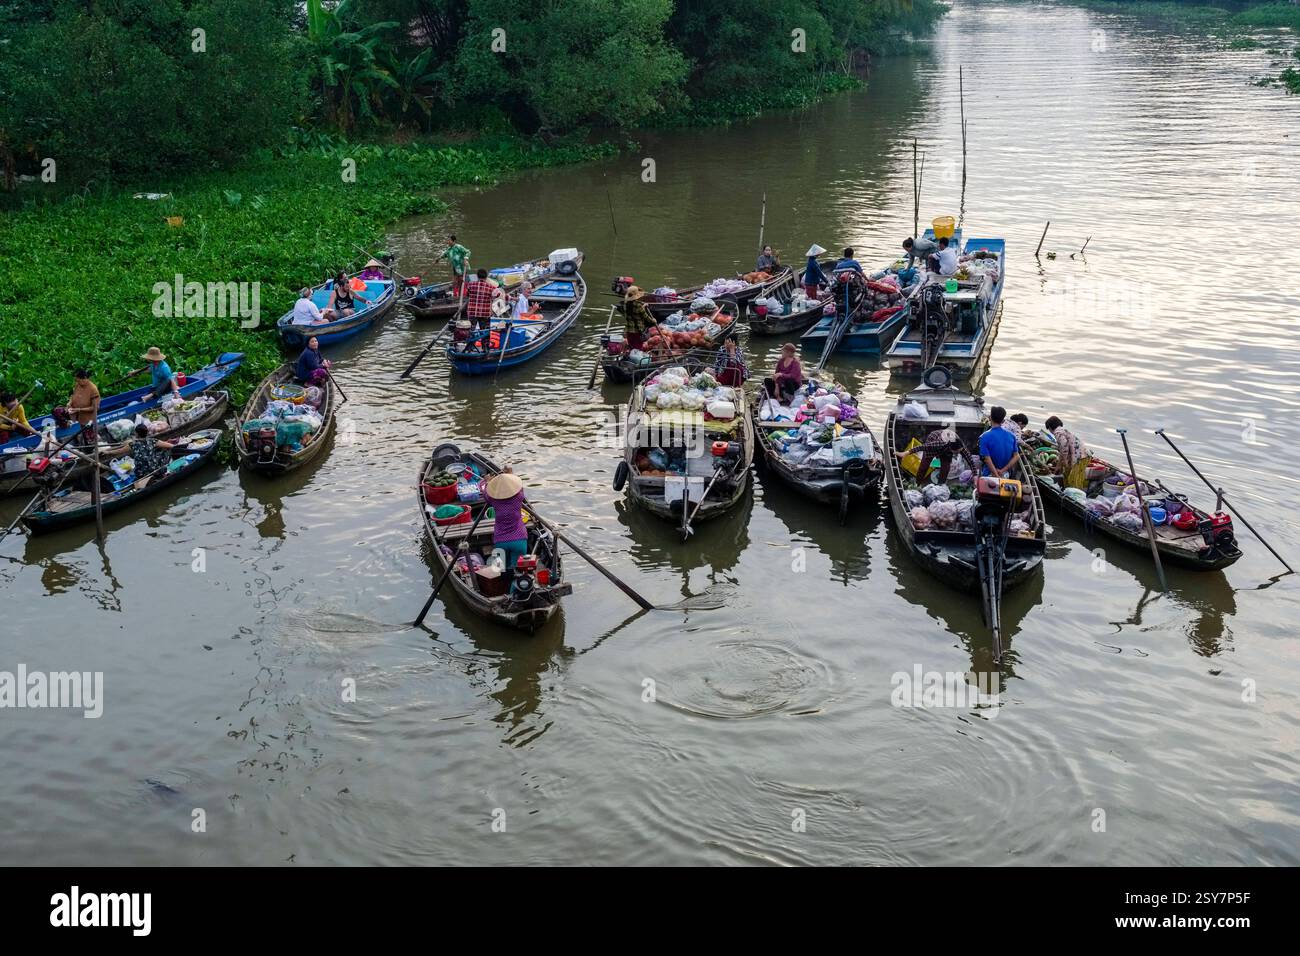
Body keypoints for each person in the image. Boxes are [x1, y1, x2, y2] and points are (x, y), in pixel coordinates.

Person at [484, 468, 528, 585]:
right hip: (519, 540)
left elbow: (486, 494)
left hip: (500, 541)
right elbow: (518, 486)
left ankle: (501, 589)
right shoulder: (519, 497)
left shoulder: (493, 500)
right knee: (517, 573)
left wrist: (487, 482)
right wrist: (510, 474)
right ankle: (514, 591)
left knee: (498, 571)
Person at [898, 420, 971, 485]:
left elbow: (969, 458)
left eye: (959, 451)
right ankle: (918, 483)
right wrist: (906, 453)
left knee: (945, 468)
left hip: (946, 449)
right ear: (951, 449)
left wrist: (975, 474)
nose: (958, 453)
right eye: (956, 452)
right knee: (924, 466)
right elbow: (922, 447)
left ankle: (940, 486)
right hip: (933, 440)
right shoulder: (938, 443)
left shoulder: (959, 446)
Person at [1044, 415, 1091, 488]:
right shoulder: (1063, 430)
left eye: (1049, 429)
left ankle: (1075, 495)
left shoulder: (1058, 432)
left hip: (1081, 457)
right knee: (1067, 474)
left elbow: (1064, 448)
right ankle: (1068, 490)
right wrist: (1061, 464)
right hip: (1080, 455)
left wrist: (1061, 464)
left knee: (1074, 479)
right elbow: (1063, 450)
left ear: (1050, 427)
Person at [465, 268, 504, 351]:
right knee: (485, 331)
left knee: (471, 330)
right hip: (485, 314)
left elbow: (467, 294)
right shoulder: (491, 287)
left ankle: (469, 347)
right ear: (486, 277)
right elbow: (499, 295)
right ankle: (485, 348)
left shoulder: (470, 285)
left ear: (477, 276)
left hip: (472, 313)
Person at [979, 406, 1020, 477]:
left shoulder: (984, 437)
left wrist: (996, 474)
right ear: (1003, 421)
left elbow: (987, 459)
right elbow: (1016, 456)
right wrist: (1003, 470)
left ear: (990, 418)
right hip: (1005, 474)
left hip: (989, 474)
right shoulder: (1012, 435)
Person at [66, 369, 101, 445]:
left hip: (87, 417)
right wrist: (70, 402)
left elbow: (95, 407)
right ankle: (68, 424)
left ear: (85, 378)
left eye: (79, 381)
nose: (77, 382)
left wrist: (78, 409)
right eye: (77, 381)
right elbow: (73, 396)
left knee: (89, 440)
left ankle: (90, 449)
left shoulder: (93, 389)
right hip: (74, 413)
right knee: (56, 411)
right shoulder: (78, 385)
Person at [622, 285, 658, 351]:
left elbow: (633, 311)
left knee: (631, 347)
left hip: (629, 330)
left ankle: (631, 358)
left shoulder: (625, 304)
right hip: (637, 331)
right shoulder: (638, 305)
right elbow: (646, 317)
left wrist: (643, 306)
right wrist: (653, 321)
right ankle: (636, 359)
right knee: (638, 348)